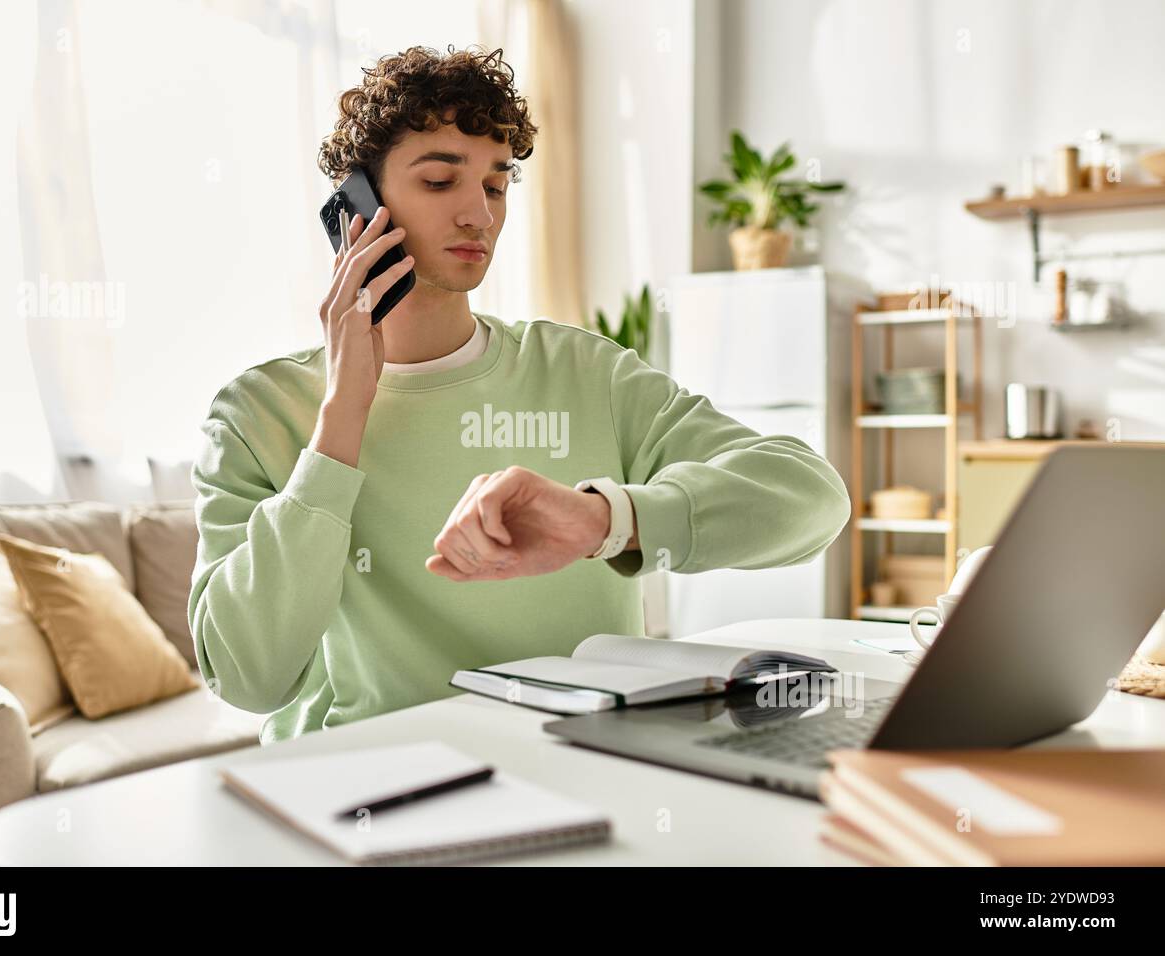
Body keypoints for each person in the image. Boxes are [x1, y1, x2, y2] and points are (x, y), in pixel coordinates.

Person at [187, 44, 850, 744]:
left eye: (497, 186)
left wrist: (607, 521)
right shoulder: (256, 414)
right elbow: (248, 679)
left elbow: (811, 498)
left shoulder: (584, 372)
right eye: (441, 181)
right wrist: (342, 418)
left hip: (580, 765)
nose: (479, 214)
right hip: (368, 788)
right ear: (358, 208)